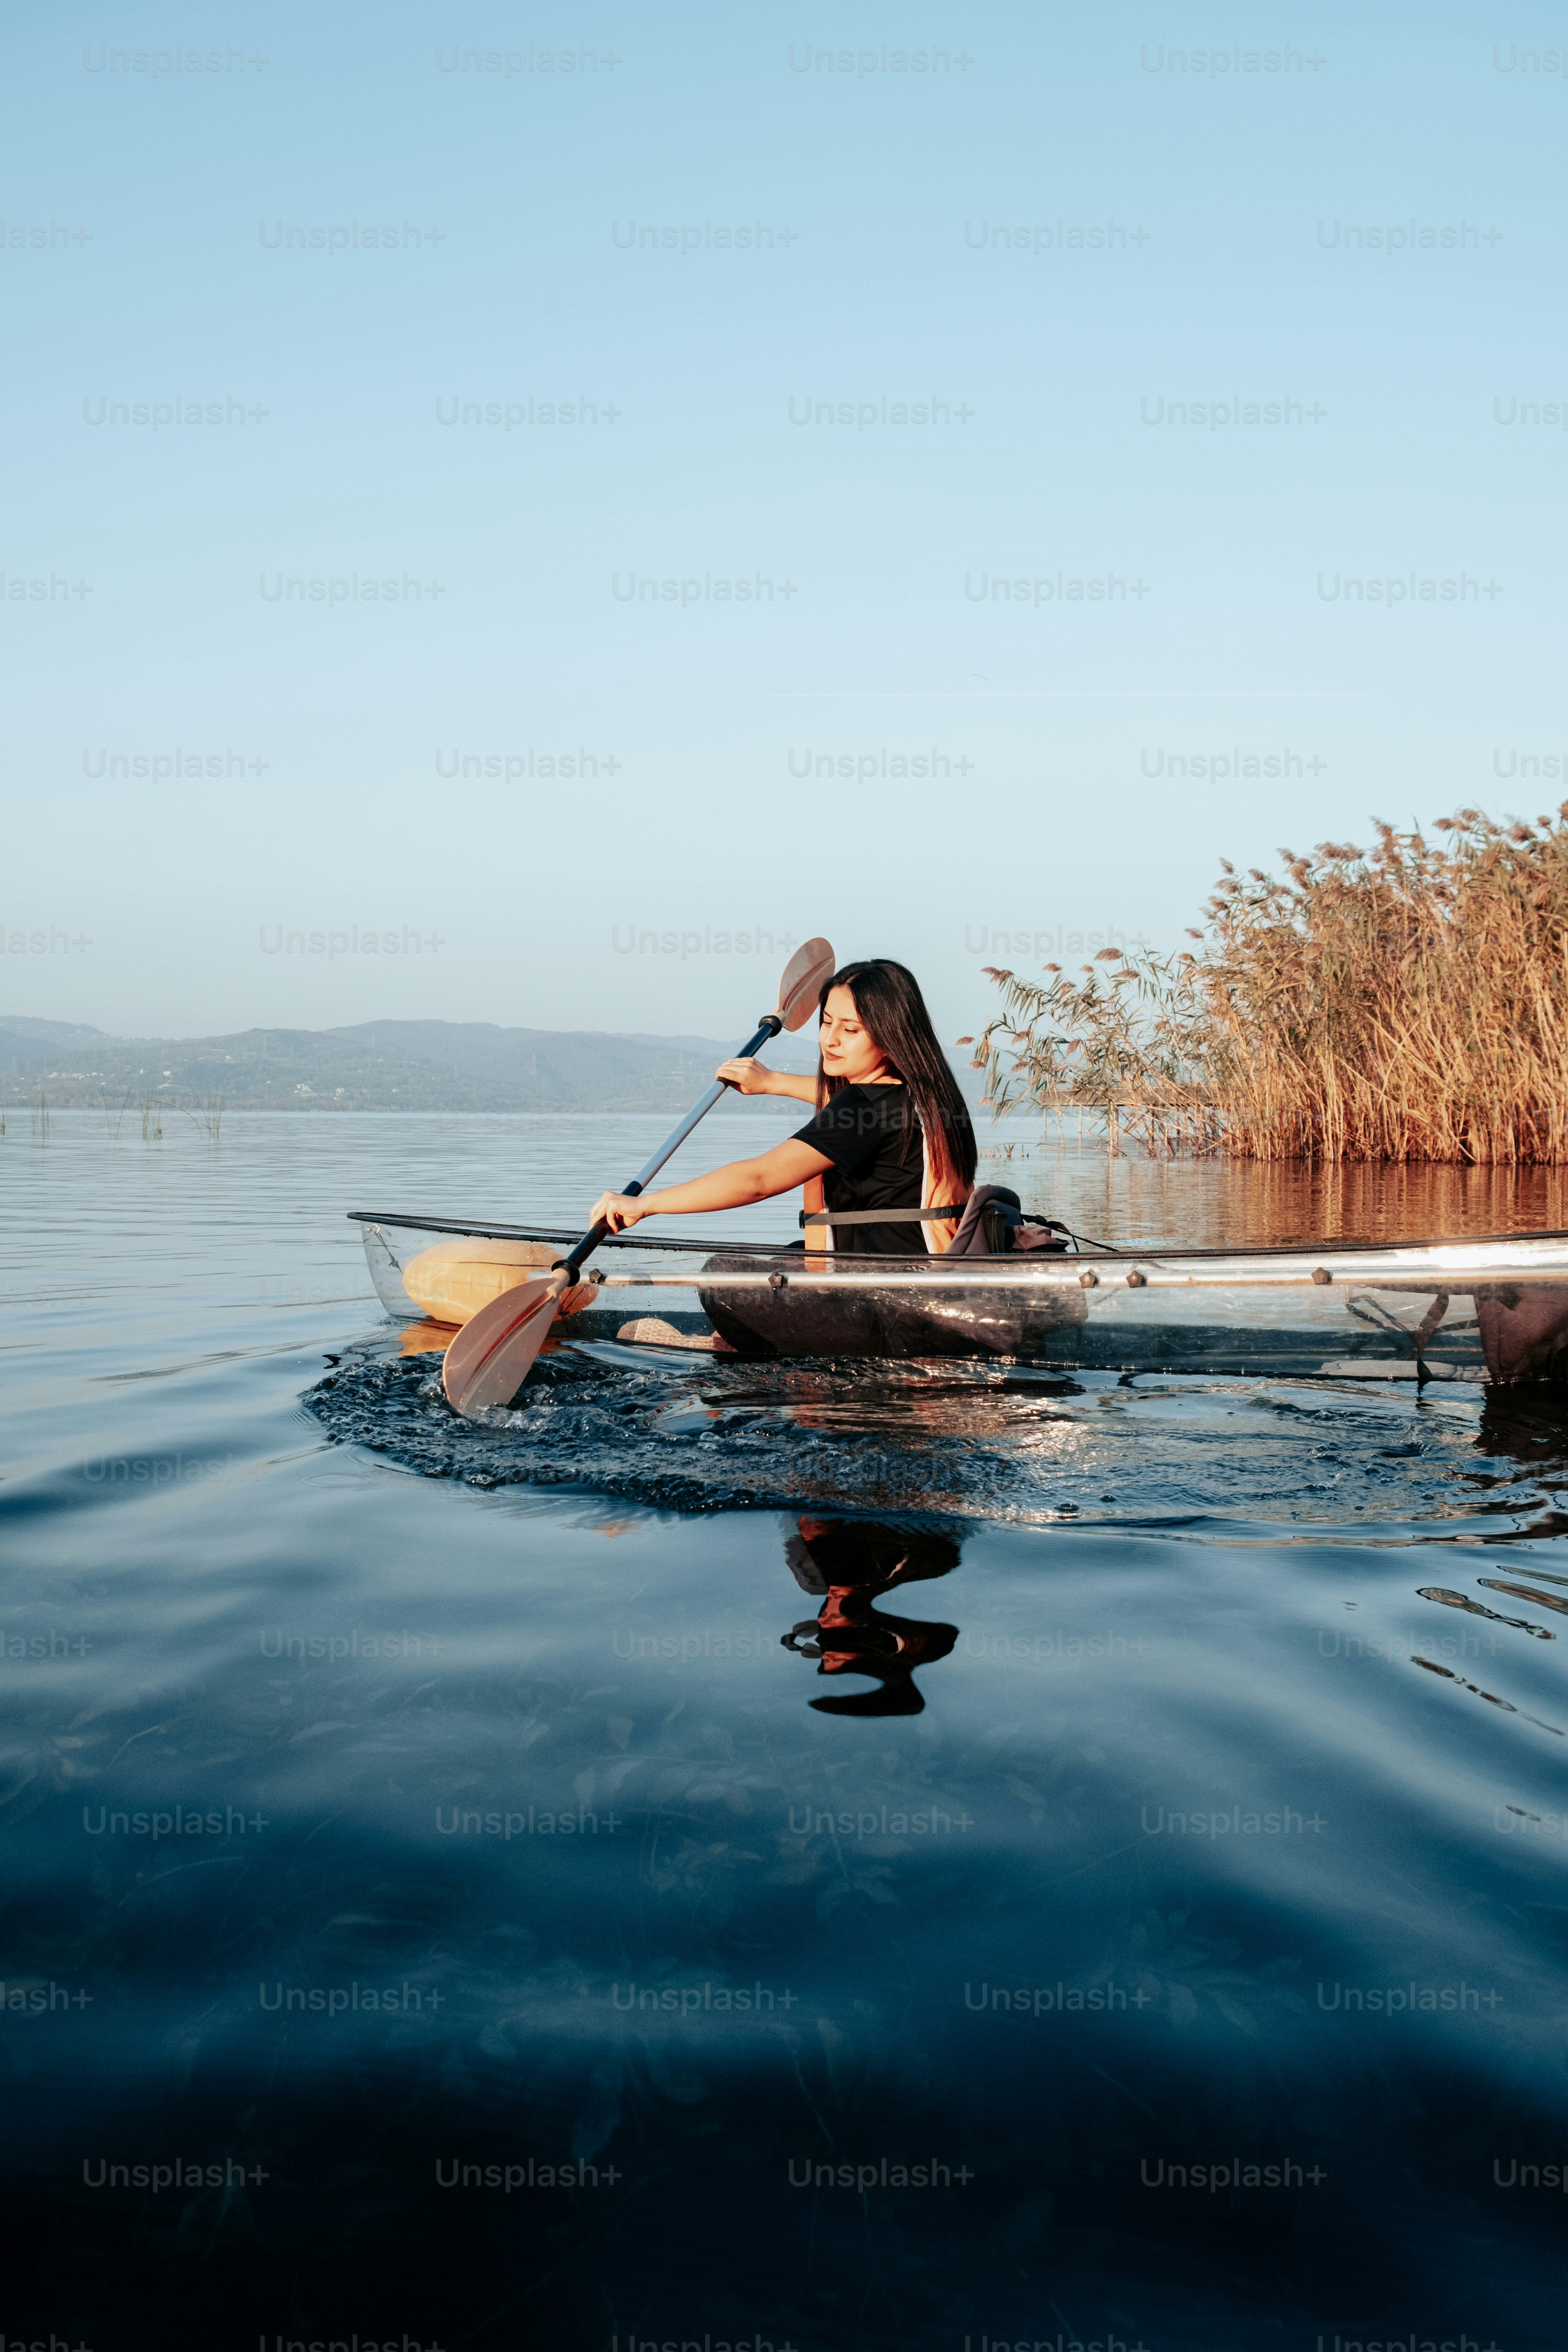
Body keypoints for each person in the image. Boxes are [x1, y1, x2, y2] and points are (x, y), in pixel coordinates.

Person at [588, 958, 977, 1255]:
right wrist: (772, 1082)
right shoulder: (923, 1094)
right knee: (783, 1260)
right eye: (826, 1022)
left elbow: (757, 1182)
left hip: (879, 1291)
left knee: (727, 1275)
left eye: (851, 1029)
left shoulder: (863, 1109)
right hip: (924, 1269)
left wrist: (644, 1205)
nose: (831, 1040)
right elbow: (856, 1111)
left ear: (892, 1036)